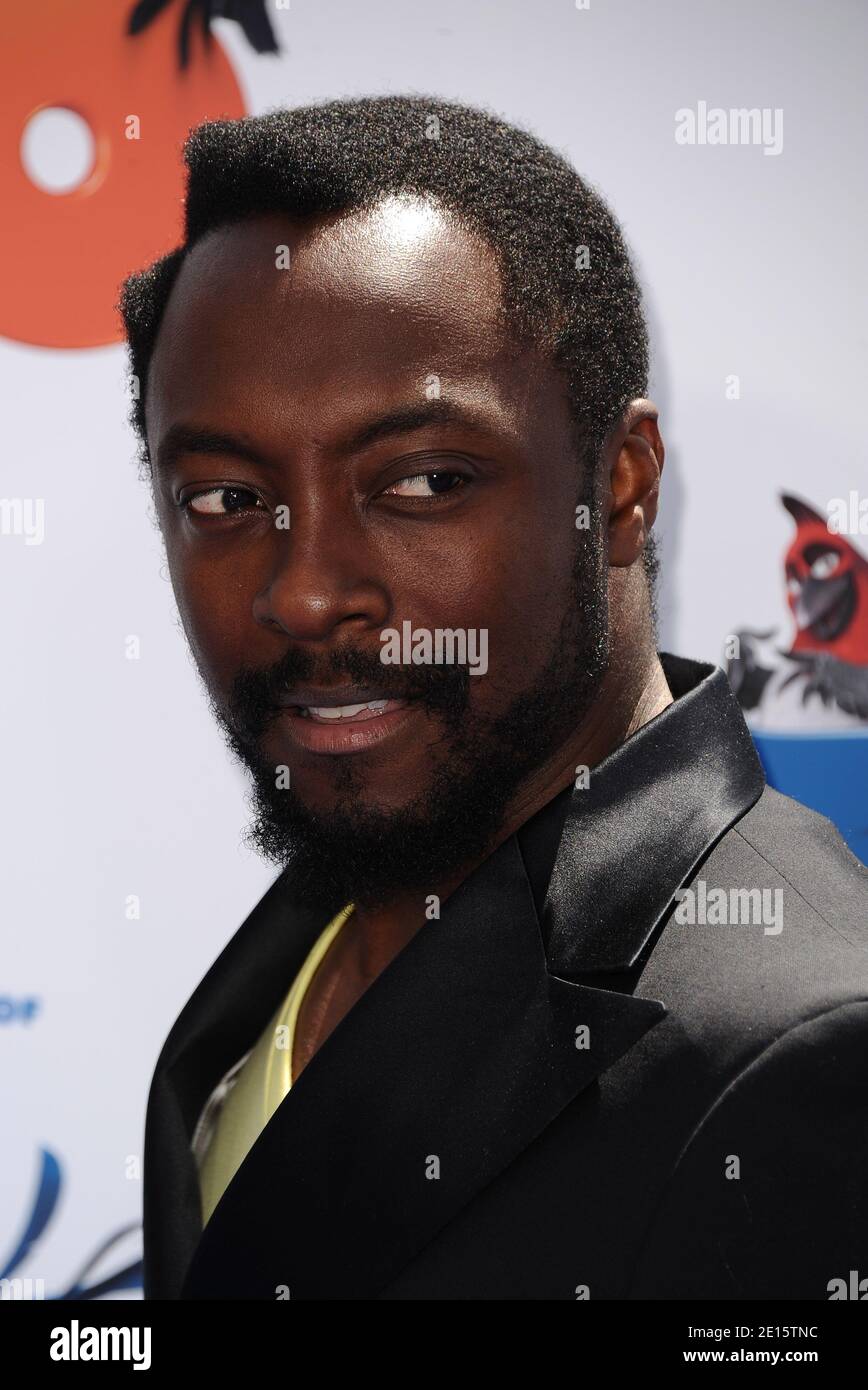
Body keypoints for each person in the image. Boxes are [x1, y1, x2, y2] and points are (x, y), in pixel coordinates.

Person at [119, 95, 868, 1300]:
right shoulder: (328, 914)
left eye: (422, 479)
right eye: (225, 498)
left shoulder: (802, 1059)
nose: (307, 595)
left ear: (619, 488)